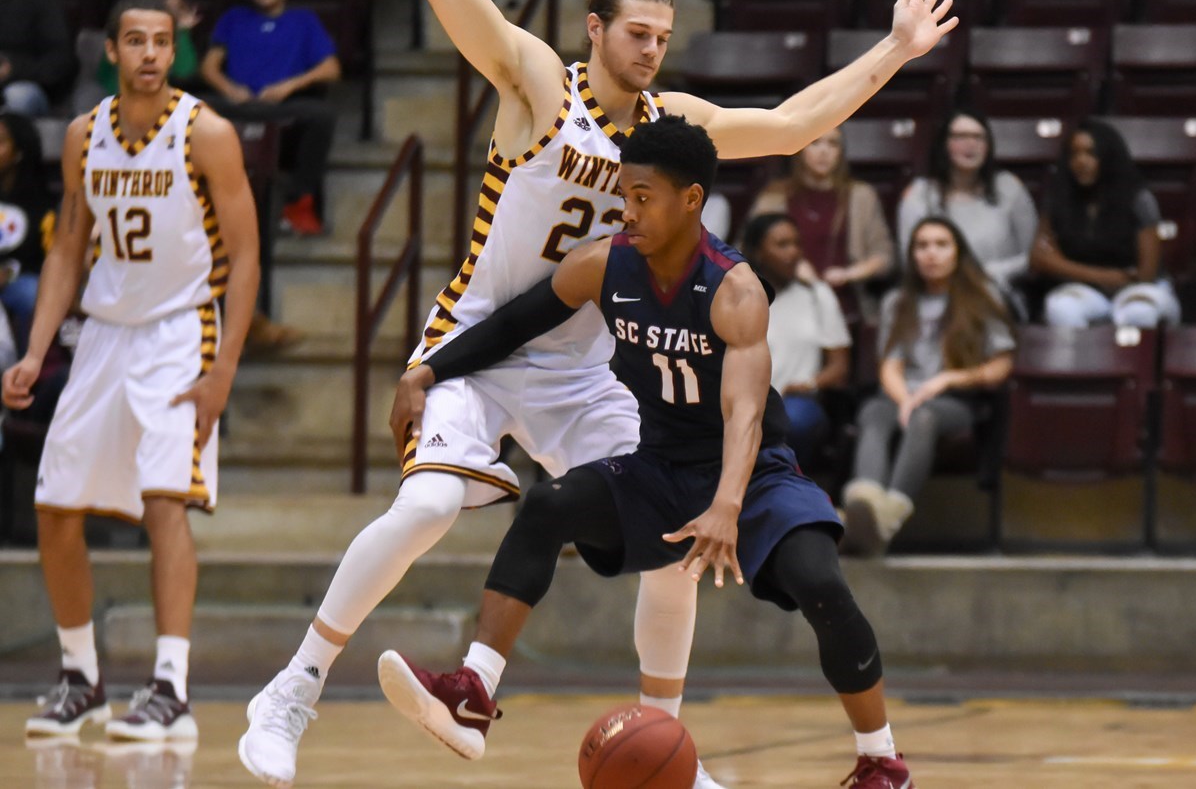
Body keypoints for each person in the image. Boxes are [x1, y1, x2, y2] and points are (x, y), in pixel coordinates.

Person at [235, 0, 956, 789]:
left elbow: (797, 120)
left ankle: (672, 749)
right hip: (483, 335)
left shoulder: (675, 122)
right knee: (434, 507)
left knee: (670, 528)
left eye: (663, 34)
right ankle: (292, 685)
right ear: (595, 29)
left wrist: (892, 51)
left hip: (589, 365)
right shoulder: (536, 82)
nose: (652, 48)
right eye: (636, 31)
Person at [378, 116, 918, 789]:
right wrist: (427, 370)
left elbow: (745, 411)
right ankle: (473, 690)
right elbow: (517, 322)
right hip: (658, 465)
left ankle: (881, 761)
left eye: (643, 197)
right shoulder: (605, 264)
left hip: (753, 473)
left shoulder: (735, 287)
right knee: (549, 504)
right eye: (624, 195)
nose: (626, 211)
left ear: (690, 200)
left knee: (821, 581)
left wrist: (727, 503)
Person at [3, 0, 260, 741]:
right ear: (110, 51)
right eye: (135, 41)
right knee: (55, 506)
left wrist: (224, 371)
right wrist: (36, 349)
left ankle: (171, 688)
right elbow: (66, 248)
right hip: (105, 335)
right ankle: (81, 676)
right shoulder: (84, 135)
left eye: (162, 41)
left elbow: (245, 259)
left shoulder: (206, 133)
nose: (150, 53)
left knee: (163, 504)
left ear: (173, 50)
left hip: (182, 332)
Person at [840, 216, 1015, 556]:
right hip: (904, 395)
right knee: (874, 411)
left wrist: (948, 378)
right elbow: (890, 365)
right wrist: (906, 398)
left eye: (941, 245)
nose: (930, 254)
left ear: (957, 252)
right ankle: (865, 503)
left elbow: (1000, 366)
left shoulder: (982, 296)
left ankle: (882, 520)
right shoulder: (898, 301)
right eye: (922, 246)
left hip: (956, 400)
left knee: (925, 417)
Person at [200, 0, 340, 237]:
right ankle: (199, 202)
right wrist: (231, 90)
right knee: (192, 109)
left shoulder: (303, 20)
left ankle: (298, 204)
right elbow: (209, 67)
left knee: (322, 115)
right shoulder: (233, 18)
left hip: (280, 104)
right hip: (239, 103)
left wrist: (289, 85)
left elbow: (331, 69)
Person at [1032, 118, 1180, 329]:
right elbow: (1040, 258)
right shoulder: (1058, 196)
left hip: (1138, 289)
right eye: (1074, 154)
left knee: (1139, 314)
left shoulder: (1137, 198)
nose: (1081, 161)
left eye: (1091, 153)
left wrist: (1063, 264)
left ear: (1109, 156)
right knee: (1061, 309)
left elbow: (1145, 274)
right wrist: (1104, 277)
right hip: (1085, 289)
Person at [742, 212, 852, 471]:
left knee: (792, 420)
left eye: (796, 244)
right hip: (746, 402)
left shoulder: (817, 295)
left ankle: (782, 491)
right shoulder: (737, 298)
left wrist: (810, 383)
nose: (793, 253)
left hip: (798, 402)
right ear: (758, 252)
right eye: (782, 245)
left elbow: (839, 366)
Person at [750, 127, 895, 313]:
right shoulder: (773, 196)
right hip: (783, 303)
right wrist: (789, 266)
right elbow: (746, 251)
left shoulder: (862, 195)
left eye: (833, 144)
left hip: (845, 303)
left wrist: (849, 274)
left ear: (841, 151)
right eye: (815, 143)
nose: (824, 151)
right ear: (800, 148)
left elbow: (885, 257)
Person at [896, 109, 1037, 290]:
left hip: (998, 290)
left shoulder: (1009, 187)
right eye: (961, 137)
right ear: (944, 144)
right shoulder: (919, 194)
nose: (971, 144)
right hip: (937, 290)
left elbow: (1033, 255)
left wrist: (989, 273)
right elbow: (908, 259)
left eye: (979, 137)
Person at [0, 112, 51, 359]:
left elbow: (41, 261)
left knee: (32, 292)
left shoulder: (40, 204)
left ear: (19, 151)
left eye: (1, 143)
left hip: (16, 283)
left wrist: (7, 272)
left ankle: (29, 369)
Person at [98, 0, 203, 95]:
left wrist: (182, 32)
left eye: (179, 7)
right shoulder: (125, 30)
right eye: (171, 9)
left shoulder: (172, 34)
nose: (176, 14)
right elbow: (103, 75)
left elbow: (185, 71)